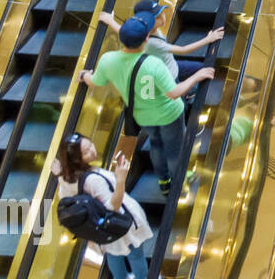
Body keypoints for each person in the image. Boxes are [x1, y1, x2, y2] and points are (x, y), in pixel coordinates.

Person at [79, 13, 214, 195]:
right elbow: (174, 93)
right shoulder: (153, 64)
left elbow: (94, 81)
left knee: (156, 144)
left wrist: (83, 76)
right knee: (174, 151)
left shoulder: (108, 60)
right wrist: (197, 76)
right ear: (146, 39)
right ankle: (180, 180)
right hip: (169, 115)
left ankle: (164, 181)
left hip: (143, 116)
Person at [52, 132, 153, 279]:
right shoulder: (92, 180)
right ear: (77, 159)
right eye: (86, 152)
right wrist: (120, 179)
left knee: (113, 254)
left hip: (99, 228)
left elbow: (64, 197)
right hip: (120, 223)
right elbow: (113, 206)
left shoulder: (65, 177)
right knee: (135, 253)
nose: (92, 150)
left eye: (90, 145)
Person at [98, 0, 223, 84]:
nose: (163, 17)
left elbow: (122, 30)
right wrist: (207, 39)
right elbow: (183, 50)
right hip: (170, 76)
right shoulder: (151, 42)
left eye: (161, 12)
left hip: (172, 64)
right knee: (182, 102)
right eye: (157, 17)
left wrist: (110, 21)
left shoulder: (141, 31)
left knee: (203, 68)